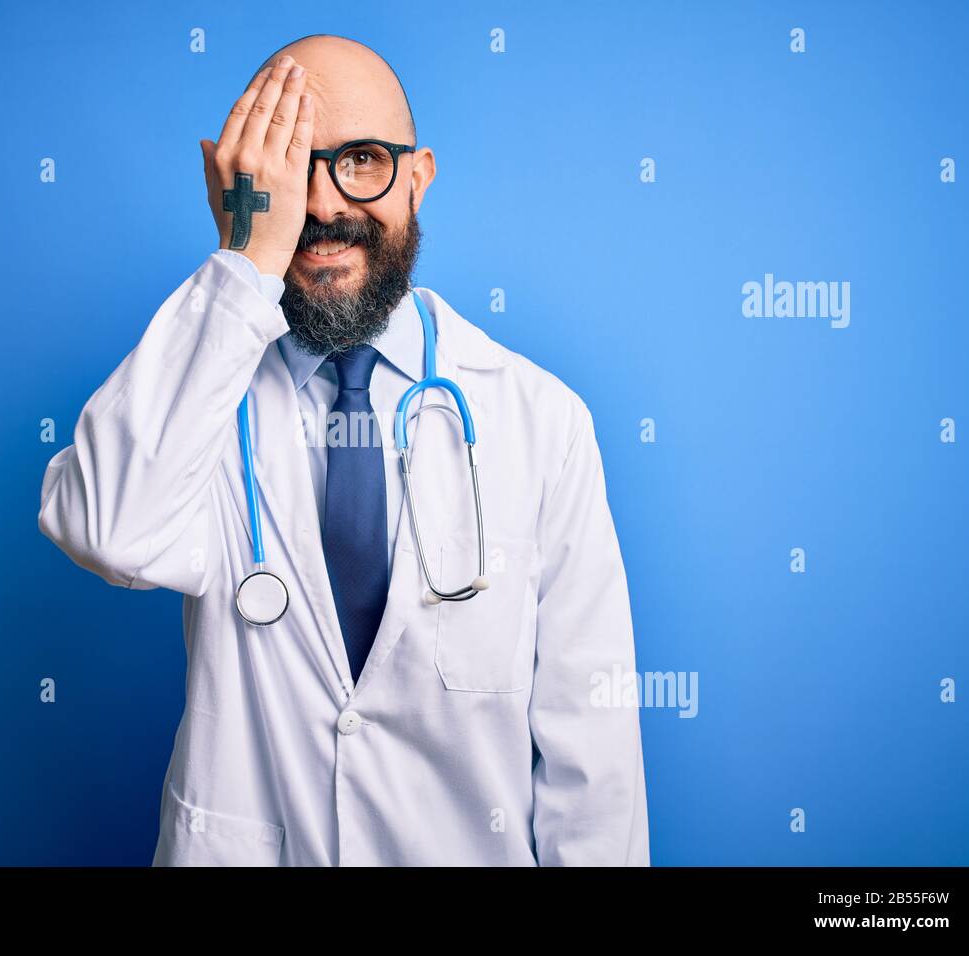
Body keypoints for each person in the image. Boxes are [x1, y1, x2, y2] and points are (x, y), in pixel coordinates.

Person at [38, 34, 650, 866]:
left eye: (361, 160)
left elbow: (593, 759)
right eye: (291, 165)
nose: (323, 204)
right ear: (235, 183)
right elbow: (105, 529)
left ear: (419, 177)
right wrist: (243, 257)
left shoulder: (541, 419)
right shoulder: (203, 392)